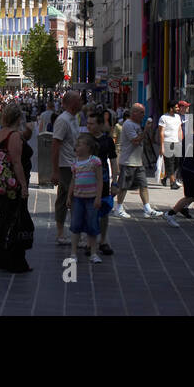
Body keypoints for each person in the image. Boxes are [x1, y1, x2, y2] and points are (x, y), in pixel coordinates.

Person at [0, 104, 32, 273]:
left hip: (0, 181)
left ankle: (1, 257)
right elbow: (16, 162)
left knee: (4, 219)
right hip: (12, 183)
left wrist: (27, 133)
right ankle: (14, 259)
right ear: (18, 118)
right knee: (15, 220)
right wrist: (23, 186)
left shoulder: (2, 132)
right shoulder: (14, 135)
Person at [164, 122, 194, 228]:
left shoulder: (189, 138)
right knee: (190, 196)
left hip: (193, 171)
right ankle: (170, 214)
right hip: (191, 172)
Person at [113, 103, 158, 219]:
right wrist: (146, 130)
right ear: (134, 113)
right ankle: (118, 208)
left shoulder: (137, 124)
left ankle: (147, 208)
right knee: (124, 186)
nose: (143, 115)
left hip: (138, 161)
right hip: (128, 161)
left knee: (143, 185)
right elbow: (135, 140)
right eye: (141, 112)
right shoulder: (128, 125)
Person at [50, 90, 83, 245]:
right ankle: (65, 233)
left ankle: (65, 233)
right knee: (70, 199)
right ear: (72, 103)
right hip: (66, 166)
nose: (82, 102)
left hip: (74, 165)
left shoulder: (73, 118)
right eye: (79, 100)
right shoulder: (63, 120)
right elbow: (55, 145)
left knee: (66, 198)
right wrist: (55, 171)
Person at [86, 111, 117, 255]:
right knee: (89, 210)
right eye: (87, 123)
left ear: (99, 125)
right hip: (86, 179)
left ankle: (103, 241)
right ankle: (89, 242)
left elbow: (113, 160)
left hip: (103, 180)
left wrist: (115, 182)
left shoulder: (107, 141)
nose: (89, 126)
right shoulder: (85, 140)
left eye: (91, 124)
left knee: (103, 210)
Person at [68, 134, 103, 264]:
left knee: (92, 225)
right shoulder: (75, 163)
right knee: (75, 225)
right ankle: (73, 252)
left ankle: (93, 252)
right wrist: (69, 196)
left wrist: (98, 197)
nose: (76, 146)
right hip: (78, 198)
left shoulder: (95, 161)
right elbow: (73, 180)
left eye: (80, 144)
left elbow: (100, 180)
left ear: (88, 147)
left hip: (91, 198)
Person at [159, 101, 186, 188]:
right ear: (171, 108)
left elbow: (179, 129)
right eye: (176, 107)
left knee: (177, 163)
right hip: (167, 142)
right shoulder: (163, 118)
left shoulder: (178, 117)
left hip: (177, 142)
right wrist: (162, 146)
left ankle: (166, 177)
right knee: (170, 163)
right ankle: (172, 183)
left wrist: (181, 139)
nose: (178, 109)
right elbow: (161, 132)